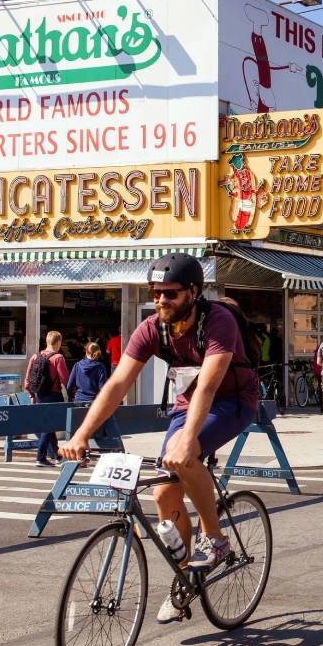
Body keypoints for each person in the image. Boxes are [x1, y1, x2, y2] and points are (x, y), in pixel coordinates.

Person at [59, 253, 260, 624]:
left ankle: (214, 538)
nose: (161, 300)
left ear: (193, 292)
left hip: (232, 401)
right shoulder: (153, 328)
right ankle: (184, 580)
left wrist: (187, 440)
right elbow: (118, 383)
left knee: (185, 454)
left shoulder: (218, 322)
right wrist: (82, 434)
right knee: (163, 493)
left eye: (170, 293)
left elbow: (209, 386)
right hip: (188, 404)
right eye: (156, 293)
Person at [24, 330, 70, 466]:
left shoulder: (35, 356)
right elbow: (65, 379)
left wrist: (31, 395)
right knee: (49, 426)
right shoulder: (58, 358)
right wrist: (72, 393)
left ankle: (57, 455)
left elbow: (27, 380)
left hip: (40, 395)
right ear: (58, 342)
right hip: (54, 395)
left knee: (49, 425)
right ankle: (41, 457)